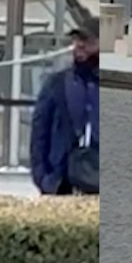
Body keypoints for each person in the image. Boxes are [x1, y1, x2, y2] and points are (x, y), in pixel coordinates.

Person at [30, 23, 98, 195]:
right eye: (76, 39)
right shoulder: (57, 83)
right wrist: (44, 179)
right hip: (63, 182)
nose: (79, 45)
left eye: (86, 39)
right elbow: (40, 130)